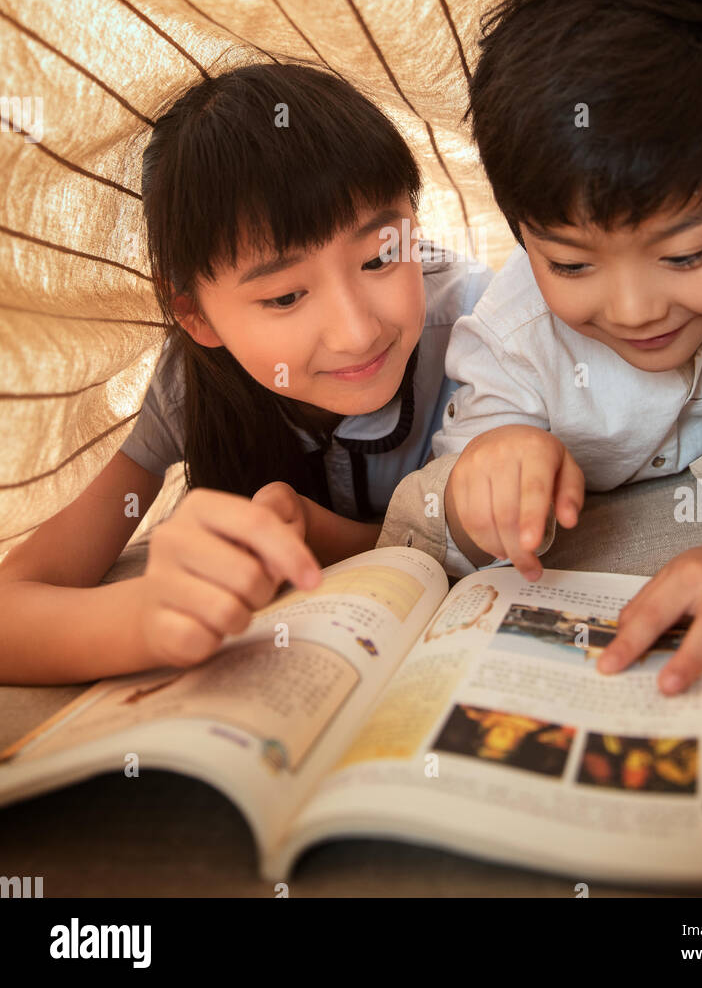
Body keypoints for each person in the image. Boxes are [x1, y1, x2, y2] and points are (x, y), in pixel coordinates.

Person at [377, 0, 702, 694]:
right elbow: (443, 514)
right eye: (571, 265)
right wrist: (490, 483)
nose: (635, 310)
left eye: (688, 254)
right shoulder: (510, 335)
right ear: (522, 237)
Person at [0, 59, 491, 684]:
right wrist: (144, 618)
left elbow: (487, 525)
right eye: (285, 297)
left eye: (379, 257)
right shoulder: (190, 387)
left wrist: (322, 532)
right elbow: (12, 605)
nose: (358, 331)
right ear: (196, 315)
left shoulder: (480, 329)